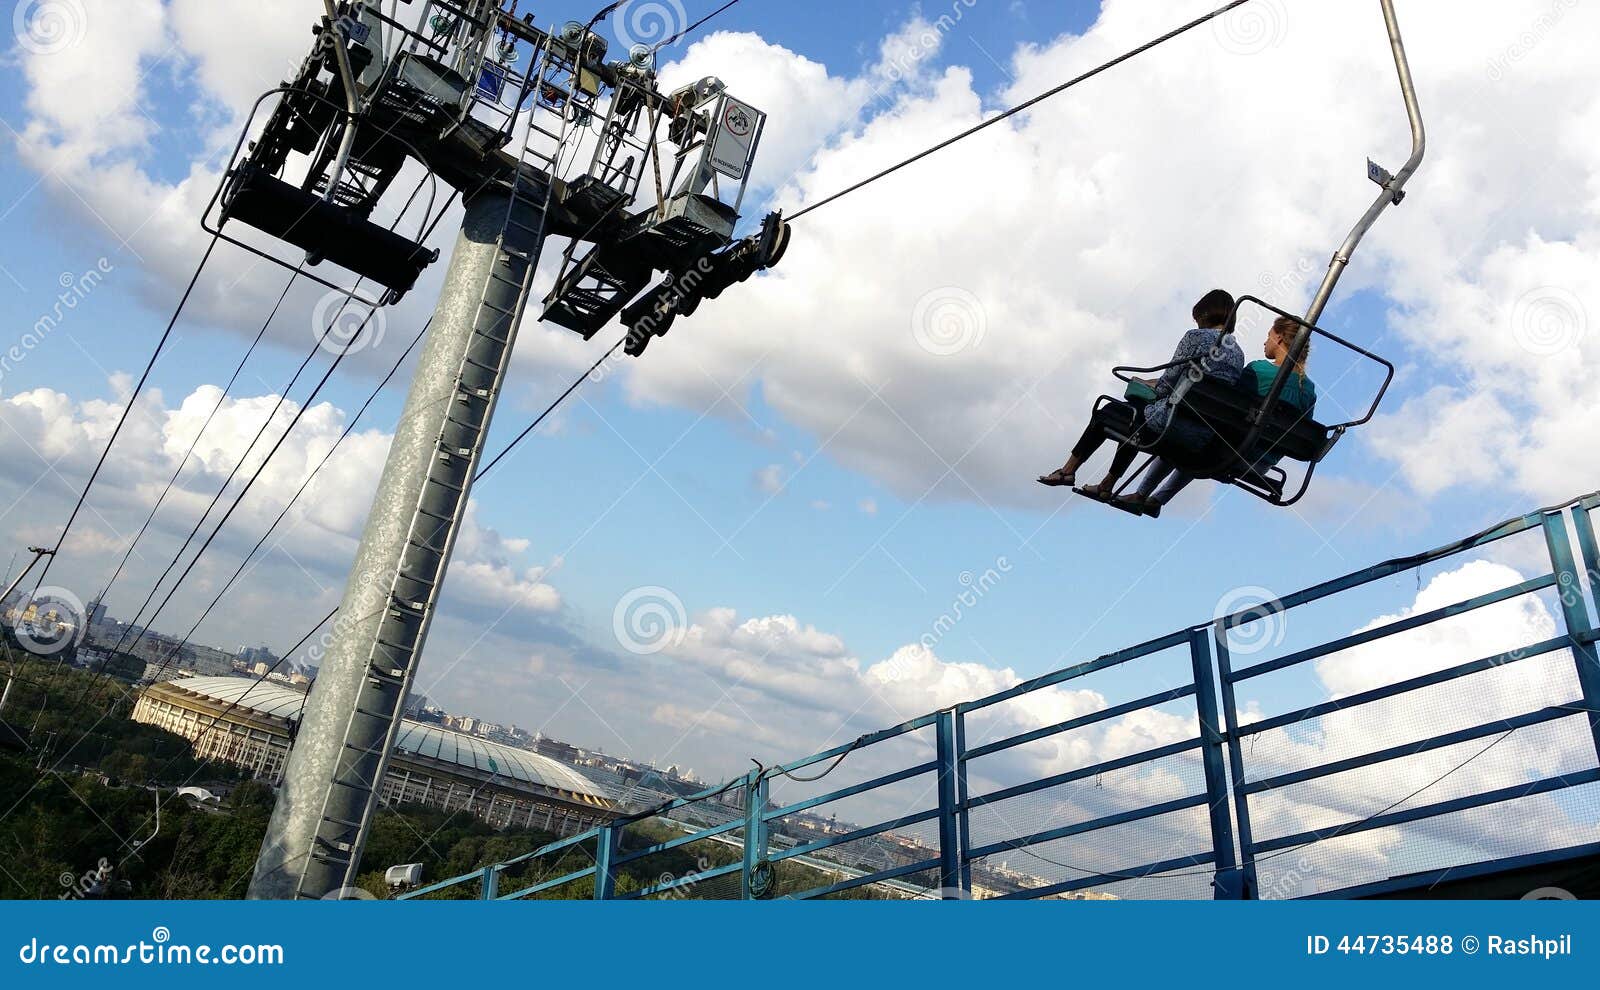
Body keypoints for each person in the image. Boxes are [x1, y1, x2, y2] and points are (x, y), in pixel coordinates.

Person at [1038, 289, 1244, 496]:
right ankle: (1106, 484)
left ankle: (1067, 471)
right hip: (1200, 434)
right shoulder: (1238, 354)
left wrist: (1146, 384)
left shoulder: (1196, 337)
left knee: (1109, 411)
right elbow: (1197, 385)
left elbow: (1166, 385)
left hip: (1168, 424)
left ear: (1206, 313)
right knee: (1135, 412)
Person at [1120, 315, 1318, 516]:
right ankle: (1156, 500)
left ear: (1279, 338)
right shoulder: (1309, 391)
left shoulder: (1258, 370)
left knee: (1193, 432)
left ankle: (1141, 494)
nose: (1265, 342)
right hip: (1261, 465)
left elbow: (1225, 403)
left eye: (1269, 335)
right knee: (1209, 440)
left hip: (1231, 452)